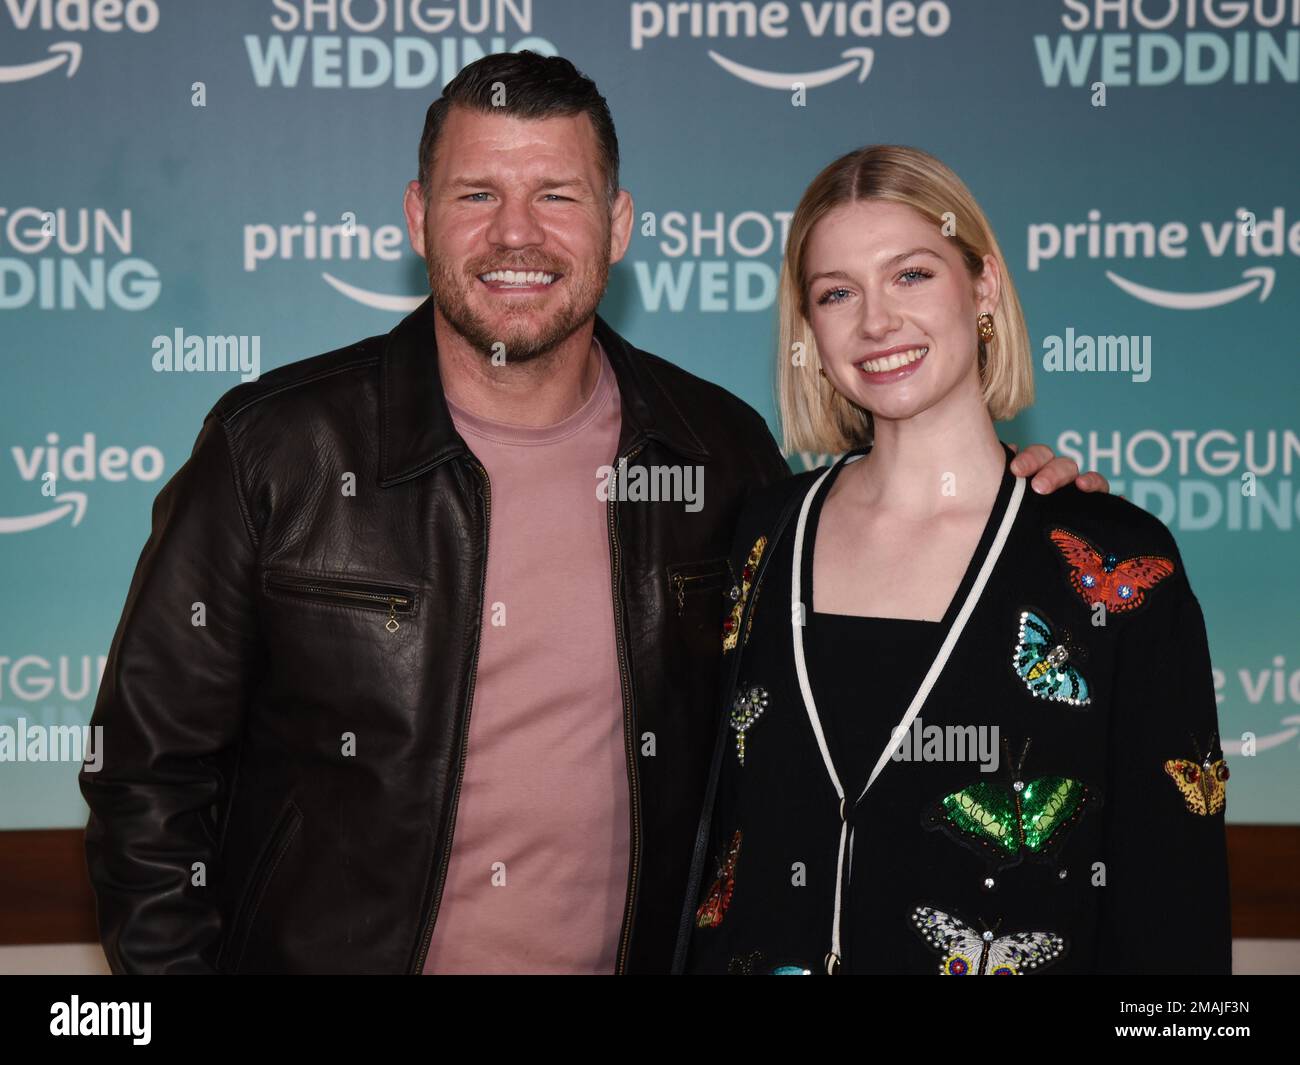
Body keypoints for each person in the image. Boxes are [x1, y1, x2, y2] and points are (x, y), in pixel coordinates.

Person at [78, 54, 1103, 975]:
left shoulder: (714, 452)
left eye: (555, 196)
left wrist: (999, 509)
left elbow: (859, 614)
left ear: (615, 225)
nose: (514, 233)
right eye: (476, 193)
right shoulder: (277, 449)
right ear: (416, 217)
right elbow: (145, 773)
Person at [676, 145, 1230, 976]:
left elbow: (1174, 898)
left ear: (984, 286)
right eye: (837, 293)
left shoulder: (1110, 560)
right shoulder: (763, 532)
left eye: (911, 276)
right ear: (810, 329)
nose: (875, 322)